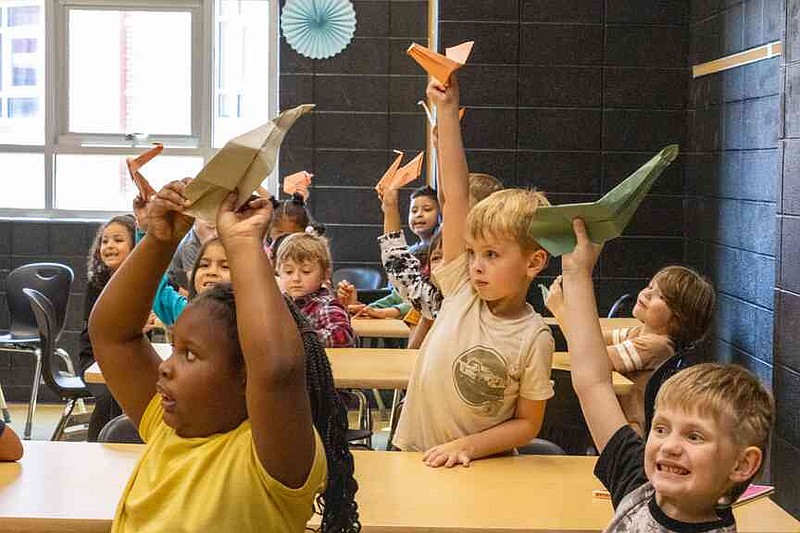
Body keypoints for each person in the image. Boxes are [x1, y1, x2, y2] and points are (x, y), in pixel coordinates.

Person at [89, 180, 359, 532]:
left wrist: (245, 242)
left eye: (189, 356)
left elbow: (276, 369)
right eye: (174, 350)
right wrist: (159, 240)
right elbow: (113, 336)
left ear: (246, 374)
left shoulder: (271, 460)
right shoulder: (168, 427)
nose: (166, 367)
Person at [558, 218, 773, 531]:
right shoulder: (639, 484)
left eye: (694, 435)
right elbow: (592, 382)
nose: (669, 445)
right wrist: (576, 273)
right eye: (660, 429)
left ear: (742, 464)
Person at [391, 74, 555, 467]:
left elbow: (528, 424)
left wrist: (466, 447)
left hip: (476, 468)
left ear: (533, 263)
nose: (477, 266)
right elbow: (456, 195)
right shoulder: (462, 286)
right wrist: (446, 113)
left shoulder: (535, 336)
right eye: (473, 253)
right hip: (412, 455)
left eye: (492, 256)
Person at [546, 265, 715, 435]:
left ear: (679, 318)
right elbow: (591, 341)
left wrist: (560, 311)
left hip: (625, 429)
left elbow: (592, 359)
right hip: (612, 420)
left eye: (661, 296)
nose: (646, 294)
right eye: (650, 287)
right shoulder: (638, 332)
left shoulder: (657, 346)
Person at [80, 214, 137, 441]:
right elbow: (96, 330)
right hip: (95, 357)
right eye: (105, 241)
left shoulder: (149, 281)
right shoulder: (97, 283)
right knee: (110, 396)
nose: (109, 246)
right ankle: (96, 447)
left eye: (118, 240)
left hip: (132, 356)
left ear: (136, 246)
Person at [276, 233, 356, 349]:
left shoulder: (325, 305)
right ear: (278, 272)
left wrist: (298, 338)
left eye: (306, 271)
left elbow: (343, 336)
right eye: (288, 271)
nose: (296, 278)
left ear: (324, 275)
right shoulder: (281, 303)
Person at [151, 237, 230, 327]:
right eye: (204, 265)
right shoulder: (184, 312)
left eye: (225, 266)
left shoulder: (245, 319)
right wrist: (147, 233)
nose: (211, 272)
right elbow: (152, 282)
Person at [165, 218, 217, 291]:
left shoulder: (208, 240)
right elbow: (194, 283)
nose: (215, 234)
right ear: (194, 222)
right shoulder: (189, 246)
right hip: (177, 288)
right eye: (210, 228)